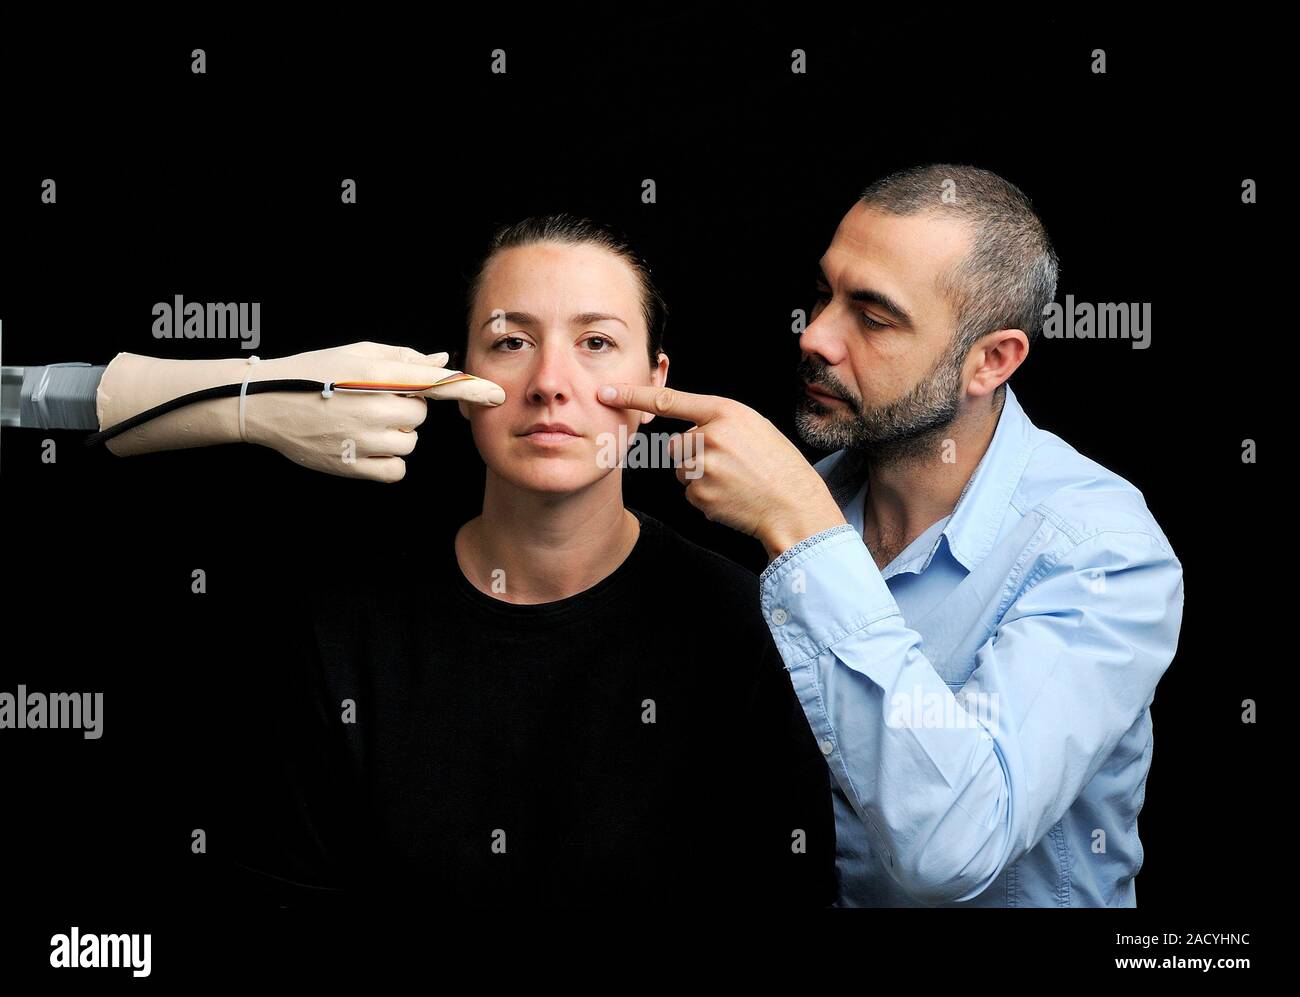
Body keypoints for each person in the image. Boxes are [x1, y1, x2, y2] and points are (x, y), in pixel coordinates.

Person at [595, 164, 1184, 907]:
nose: (815, 335)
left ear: (991, 360)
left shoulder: (1102, 550)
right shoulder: (813, 494)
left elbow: (955, 846)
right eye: (823, 294)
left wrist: (800, 528)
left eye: (873, 317)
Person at [225, 214, 838, 905]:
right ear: (461, 377)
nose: (550, 381)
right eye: (510, 341)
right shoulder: (342, 630)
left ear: (655, 383)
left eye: (597, 342)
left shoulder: (744, 627)